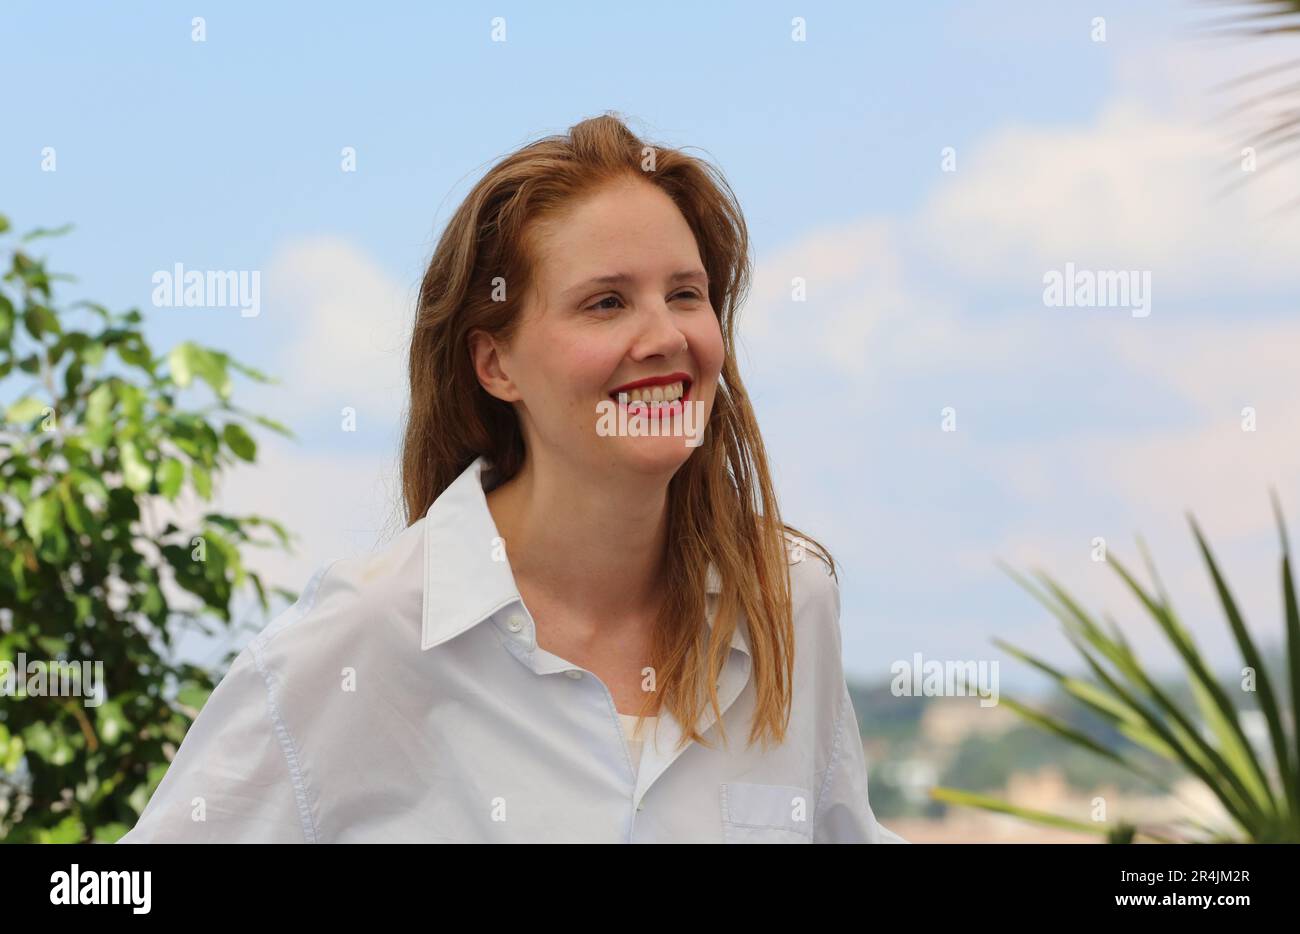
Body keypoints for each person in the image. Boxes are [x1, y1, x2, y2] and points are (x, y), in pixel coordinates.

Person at [118, 113, 907, 843]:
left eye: (685, 295)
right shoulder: (370, 637)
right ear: (496, 364)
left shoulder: (787, 607)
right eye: (606, 303)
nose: (665, 336)